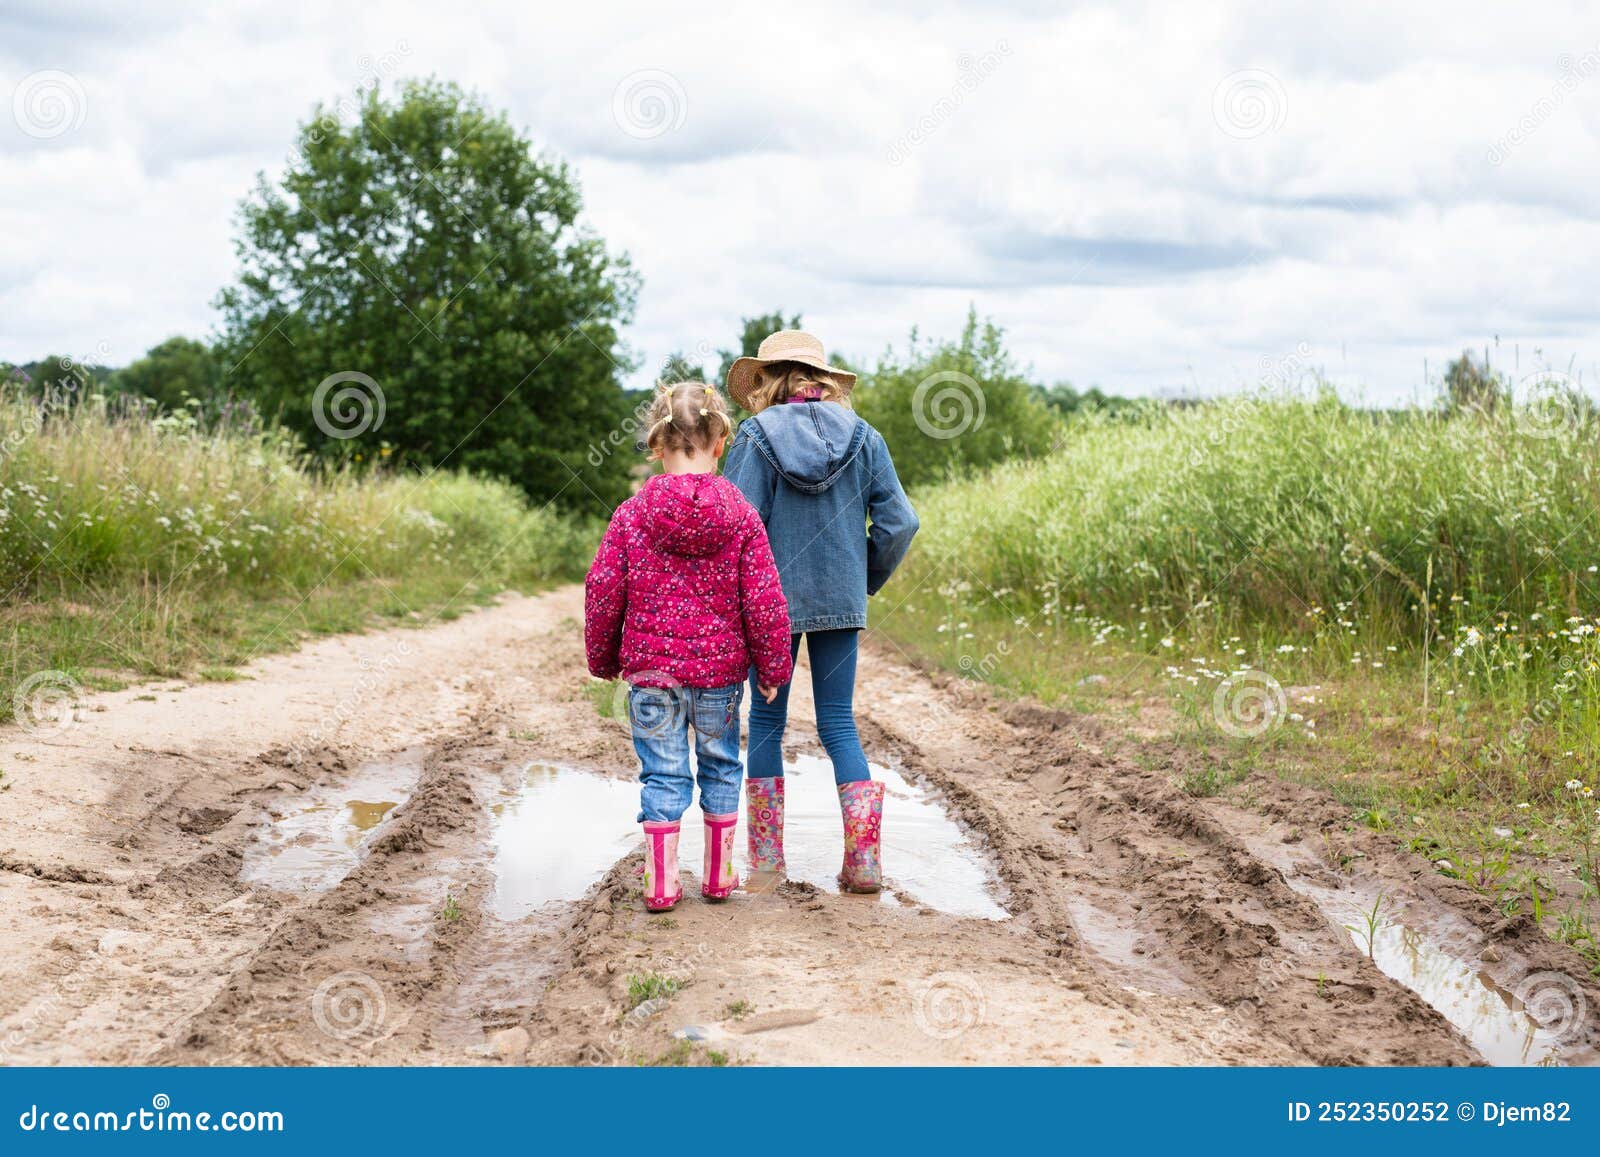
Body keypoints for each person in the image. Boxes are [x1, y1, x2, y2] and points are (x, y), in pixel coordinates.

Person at [584, 381, 793, 912]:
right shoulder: (742, 515)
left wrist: (603, 657)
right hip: (720, 676)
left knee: (662, 773)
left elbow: (603, 590)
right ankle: (719, 877)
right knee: (722, 764)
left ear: (658, 445)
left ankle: (661, 885)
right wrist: (772, 666)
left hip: (652, 677)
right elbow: (764, 598)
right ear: (720, 441)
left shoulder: (631, 515)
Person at [723, 330, 919, 893]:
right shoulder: (864, 436)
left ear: (769, 380)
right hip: (840, 598)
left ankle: (766, 865)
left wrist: (732, 596)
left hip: (770, 605)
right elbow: (901, 522)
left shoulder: (755, 437)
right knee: (838, 725)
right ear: (821, 378)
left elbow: (738, 524)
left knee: (765, 723)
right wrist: (865, 578)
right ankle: (864, 865)